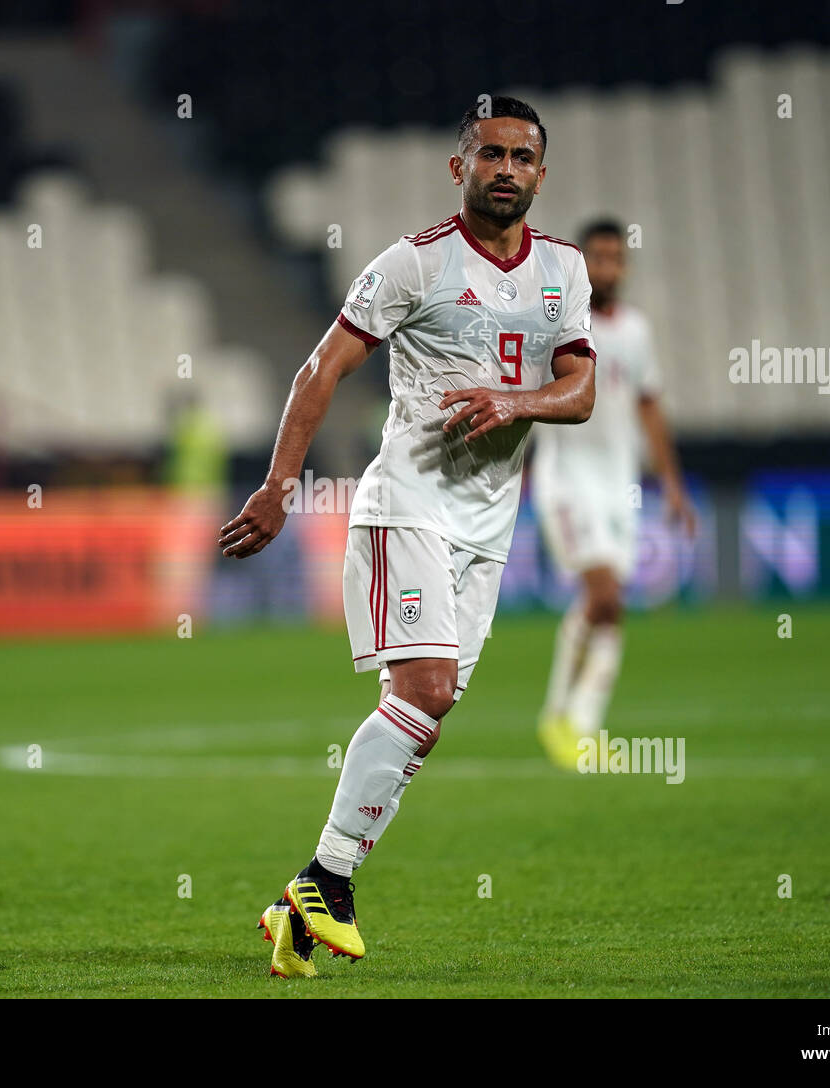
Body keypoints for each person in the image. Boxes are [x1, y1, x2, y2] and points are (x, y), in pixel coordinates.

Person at [219, 97, 596, 975]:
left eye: (523, 157)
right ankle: (329, 888)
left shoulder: (566, 272)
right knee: (423, 683)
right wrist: (279, 487)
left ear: (543, 173)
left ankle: (312, 889)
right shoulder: (412, 266)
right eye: (491, 154)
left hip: (489, 528)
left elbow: (580, 391)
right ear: (460, 167)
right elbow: (323, 369)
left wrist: (518, 401)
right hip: (408, 507)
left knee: (431, 706)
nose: (507, 170)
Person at [529, 219, 695, 768]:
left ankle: (574, 724)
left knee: (610, 609)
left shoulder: (636, 332)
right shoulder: (555, 322)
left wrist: (672, 484)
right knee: (603, 596)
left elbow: (649, 404)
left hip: (619, 485)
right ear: (581, 263)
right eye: (596, 257)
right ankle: (565, 723)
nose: (607, 267)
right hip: (566, 477)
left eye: (615, 258)